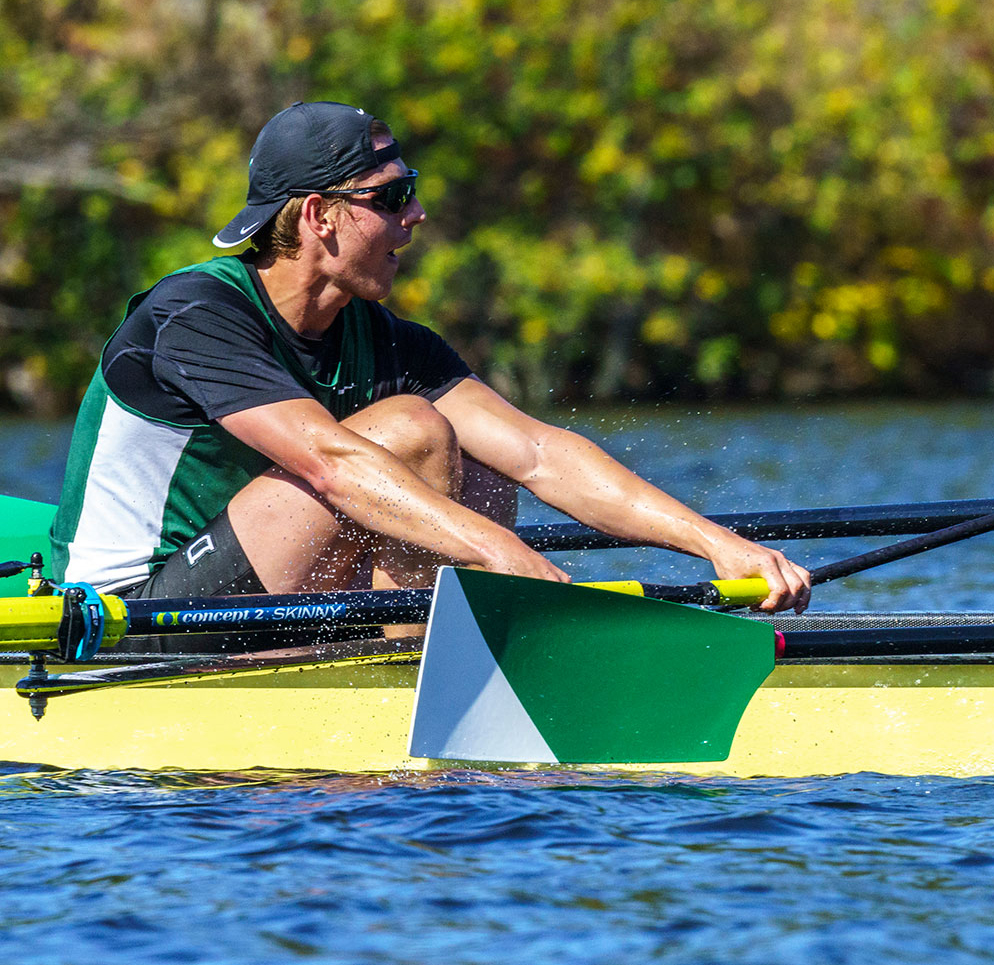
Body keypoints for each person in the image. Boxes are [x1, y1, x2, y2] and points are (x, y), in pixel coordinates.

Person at [49, 101, 810, 612]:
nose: (417, 215)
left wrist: (717, 542)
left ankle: (415, 657)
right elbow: (330, 467)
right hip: (136, 610)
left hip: (258, 589)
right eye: (391, 196)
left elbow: (541, 456)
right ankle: (416, 667)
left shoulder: (383, 337)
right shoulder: (193, 316)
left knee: (479, 463)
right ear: (317, 215)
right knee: (412, 431)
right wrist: (500, 554)